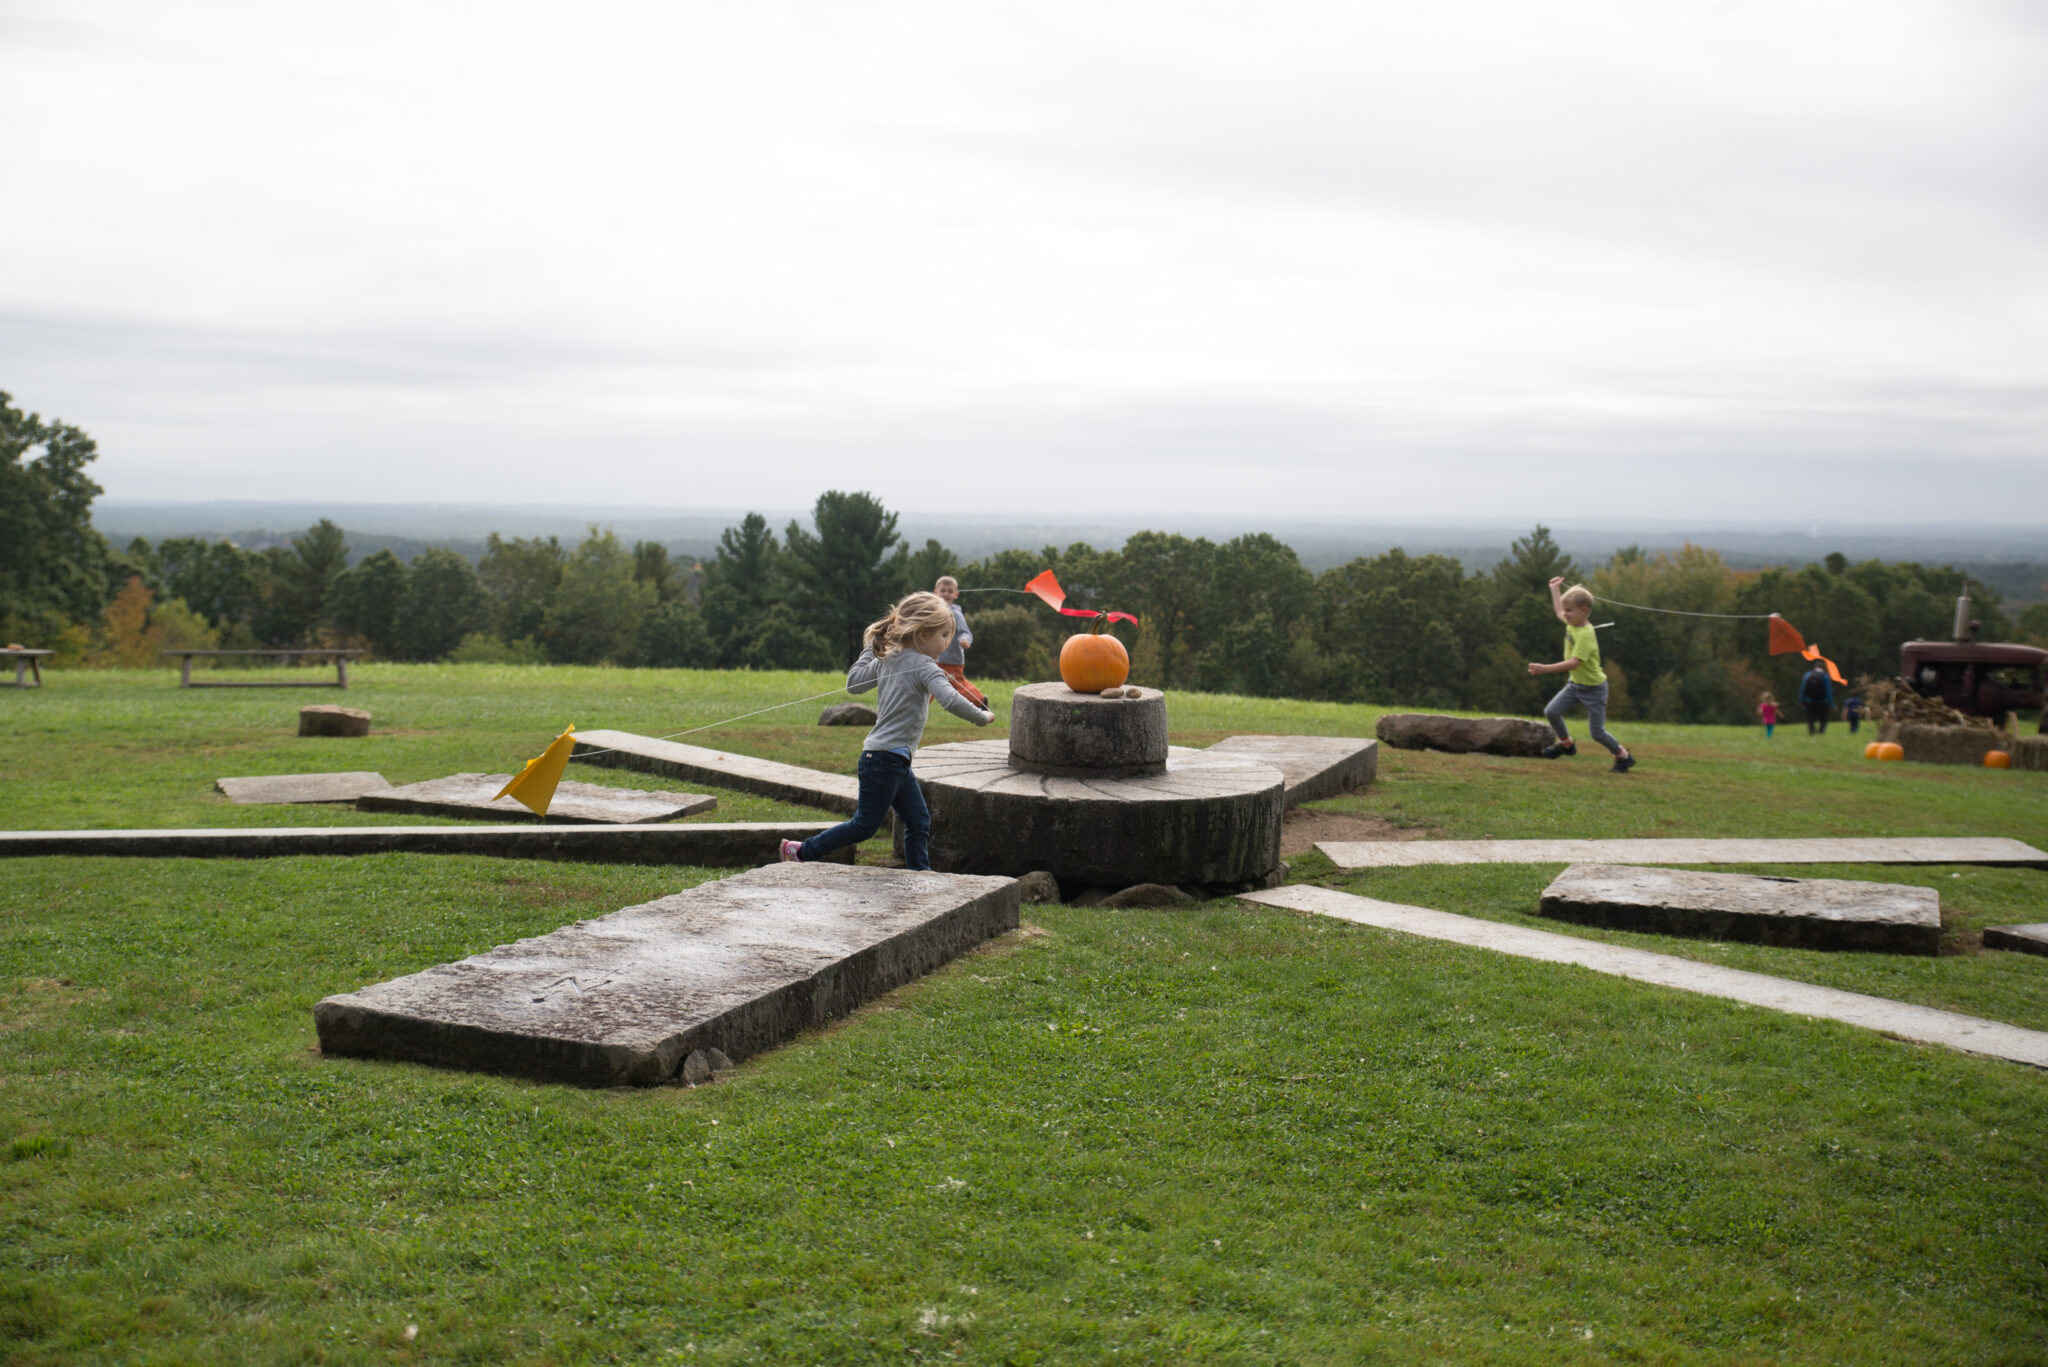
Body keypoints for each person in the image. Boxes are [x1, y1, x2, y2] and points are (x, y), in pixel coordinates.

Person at [781, 591, 994, 869]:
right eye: (943, 635)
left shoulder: (889, 658)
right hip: (885, 761)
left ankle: (920, 875)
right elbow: (950, 699)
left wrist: (872, 647)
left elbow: (854, 682)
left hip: (891, 759)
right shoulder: (926, 666)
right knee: (864, 826)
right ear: (922, 635)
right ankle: (801, 851)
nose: (947, 642)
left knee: (919, 821)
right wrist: (982, 717)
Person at [1527, 578, 1635, 773]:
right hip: (1575, 685)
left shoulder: (1585, 635)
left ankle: (1623, 756)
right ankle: (1567, 744)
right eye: (1565, 610)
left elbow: (1573, 663)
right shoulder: (1572, 623)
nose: (1564, 614)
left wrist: (1545, 669)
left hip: (1594, 689)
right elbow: (1559, 611)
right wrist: (1554, 589)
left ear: (1584, 610)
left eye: (1569, 610)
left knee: (1597, 733)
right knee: (1551, 712)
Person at [932, 575, 987, 709]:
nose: (946, 594)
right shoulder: (931, 612)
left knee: (957, 686)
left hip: (951, 660)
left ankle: (980, 701)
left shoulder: (956, 614)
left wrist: (965, 640)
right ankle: (915, 709)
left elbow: (965, 632)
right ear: (935, 593)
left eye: (950, 591)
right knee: (928, 685)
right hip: (933, 659)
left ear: (956, 595)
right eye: (943, 590)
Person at [1799, 661, 1833, 734]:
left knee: (1810, 718)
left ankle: (1811, 731)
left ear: (1814, 667)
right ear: (1823, 668)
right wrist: (1831, 703)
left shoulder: (1807, 675)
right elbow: (1828, 690)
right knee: (1823, 718)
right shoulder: (1825, 676)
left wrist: (1802, 701)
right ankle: (1821, 731)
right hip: (1823, 701)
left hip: (1809, 701)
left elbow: (1802, 688)